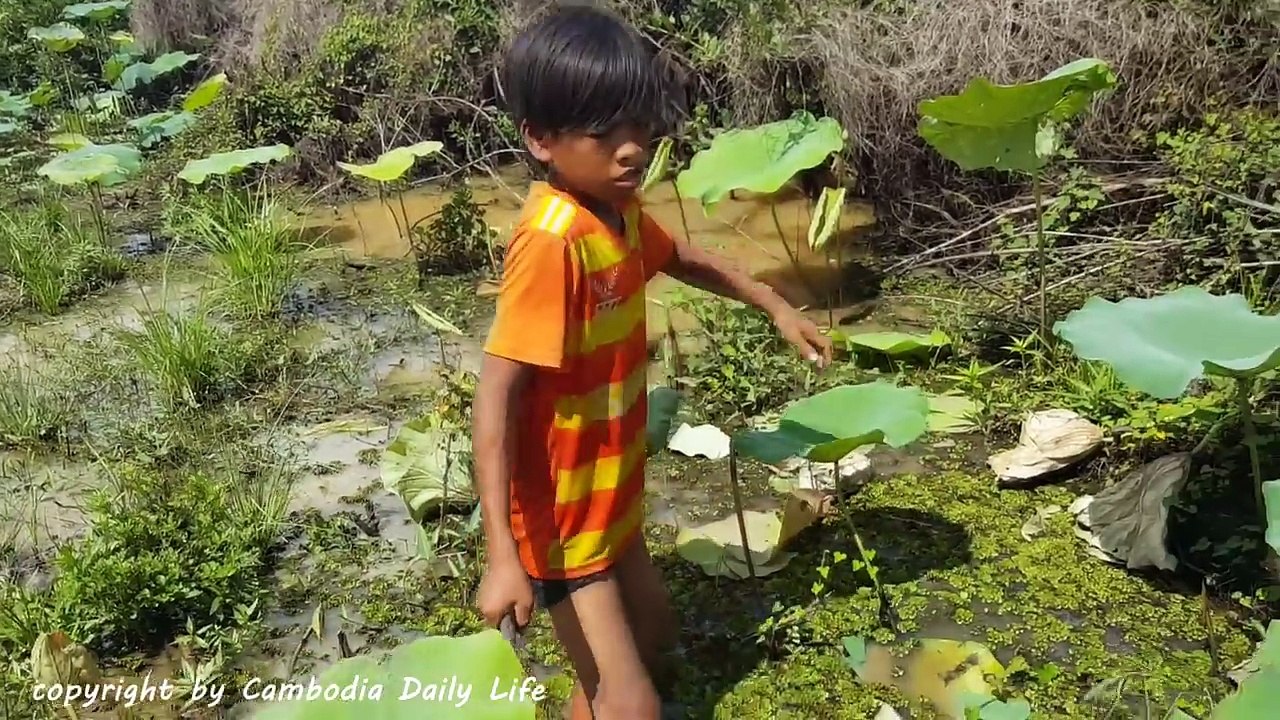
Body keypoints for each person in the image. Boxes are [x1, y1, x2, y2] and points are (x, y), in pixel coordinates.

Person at [472, 4, 834, 718]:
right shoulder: (553, 243)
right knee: (632, 704)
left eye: (638, 127)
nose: (631, 150)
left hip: (612, 495)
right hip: (562, 516)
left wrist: (774, 304)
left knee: (661, 645)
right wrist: (502, 556)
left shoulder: (620, 213)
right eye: (604, 134)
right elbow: (494, 401)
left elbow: (684, 258)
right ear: (540, 140)